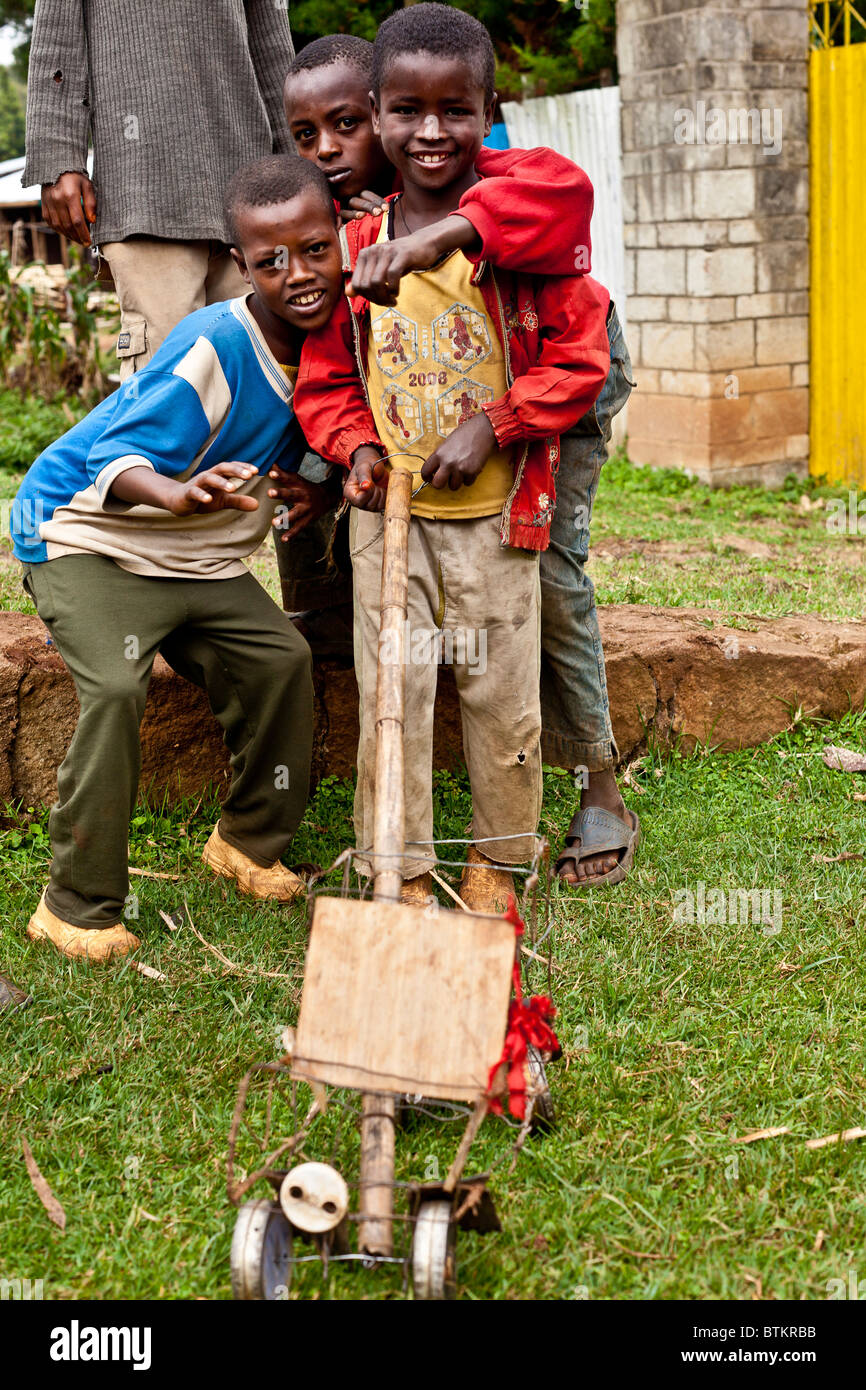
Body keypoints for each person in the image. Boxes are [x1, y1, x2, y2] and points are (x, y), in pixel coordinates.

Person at [283, 22, 639, 888]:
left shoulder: (526, 219)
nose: (432, 132)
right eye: (407, 112)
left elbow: (579, 346)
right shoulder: (353, 249)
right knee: (391, 695)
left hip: (505, 506)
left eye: (456, 111)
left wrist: (500, 421)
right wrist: (356, 450)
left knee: (508, 677)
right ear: (380, 113)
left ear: (489, 114)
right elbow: (330, 381)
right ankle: (393, 870)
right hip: (396, 525)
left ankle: (506, 857)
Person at [9, 157, 343, 962]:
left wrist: (314, 495)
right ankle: (75, 904)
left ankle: (247, 841)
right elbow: (115, 461)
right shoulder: (212, 344)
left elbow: (314, 447)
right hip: (90, 537)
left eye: (315, 251)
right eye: (269, 262)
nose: (296, 275)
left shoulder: (341, 338)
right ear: (242, 262)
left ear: (345, 240)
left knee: (280, 659)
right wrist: (177, 497)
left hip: (195, 563)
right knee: (119, 681)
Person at [24, 0, 295, 377]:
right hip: (144, 190)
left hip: (252, 196)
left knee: (261, 382)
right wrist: (57, 157)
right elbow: (57, 40)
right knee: (168, 390)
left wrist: (297, 170)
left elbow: (273, 44)